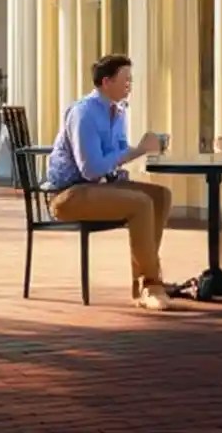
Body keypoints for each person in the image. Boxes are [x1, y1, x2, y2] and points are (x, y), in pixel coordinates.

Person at [45, 54, 173, 311]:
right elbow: (91, 168)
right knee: (140, 203)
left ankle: (144, 281)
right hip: (69, 194)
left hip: (99, 187)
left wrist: (145, 147)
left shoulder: (118, 111)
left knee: (160, 196)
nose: (130, 85)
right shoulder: (84, 114)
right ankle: (151, 283)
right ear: (106, 82)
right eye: (125, 80)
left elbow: (118, 155)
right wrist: (138, 151)